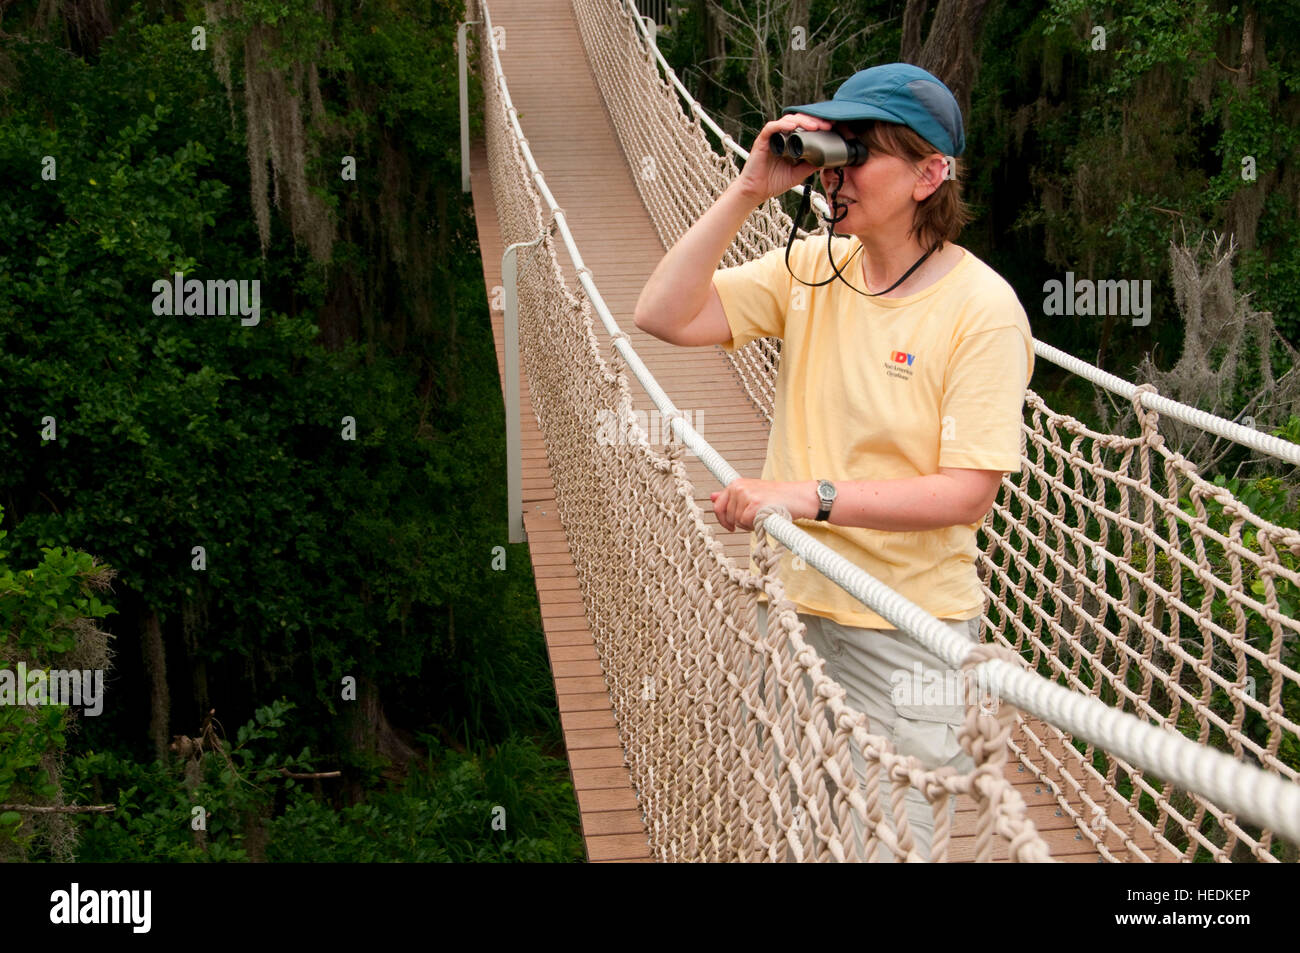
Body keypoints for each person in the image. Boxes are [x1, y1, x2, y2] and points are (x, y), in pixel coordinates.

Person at [634, 63, 1033, 860]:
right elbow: (661, 314)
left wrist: (804, 496)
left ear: (929, 174)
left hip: (907, 632)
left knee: (889, 848)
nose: (837, 172)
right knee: (802, 832)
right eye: (833, 148)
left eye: (860, 152)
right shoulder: (812, 267)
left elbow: (965, 494)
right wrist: (749, 189)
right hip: (794, 603)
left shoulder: (982, 311)